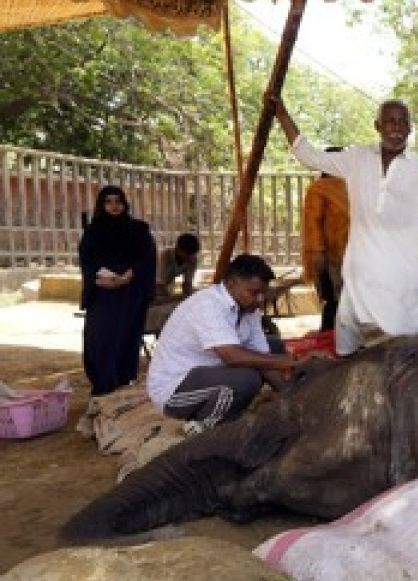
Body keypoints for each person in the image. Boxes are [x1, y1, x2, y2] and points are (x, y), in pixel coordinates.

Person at [269, 96, 418, 354]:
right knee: (350, 335)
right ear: (377, 126)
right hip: (361, 271)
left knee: (406, 343)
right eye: (390, 122)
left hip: (406, 274)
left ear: (409, 129)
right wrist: (282, 115)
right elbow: (309, 156)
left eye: (402, 122)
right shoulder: (357, 159)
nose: (396, 127)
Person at [147, 254, 300, 435]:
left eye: (263, 293)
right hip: (174, 390)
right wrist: (291, 362)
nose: (260, 299)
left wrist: (293, 395)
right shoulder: (208, 305)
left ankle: (224, 414)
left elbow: (263, 358)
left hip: (206, 376)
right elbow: (231, 356)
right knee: (247, 379)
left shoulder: (248, 309)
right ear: (232, 284)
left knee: (271, 348)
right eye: (254, 292)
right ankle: (203, 427)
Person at [78, 185, 156, 397]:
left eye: (118, 201)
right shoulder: (93, 232)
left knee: (125, 338)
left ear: (125, 204)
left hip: (129, 295)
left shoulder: (138, 230)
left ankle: (122, 383)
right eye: (108, 202)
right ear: (102, 205)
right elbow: (86, 261)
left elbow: (147, 258)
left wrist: (127, 277)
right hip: (103, 294)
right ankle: (103, 385)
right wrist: (100, 279)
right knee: (100, 340)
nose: (114, 206)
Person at [301, 172, 350, 332]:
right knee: (335, 301)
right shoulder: (319, 189)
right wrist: (317, 251)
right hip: (330, 255)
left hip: (350, 254)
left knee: (342, 301)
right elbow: (312, 223)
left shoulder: (351, 185)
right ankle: (331, 337)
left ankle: (340, 337)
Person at [155, 233, 200, 299]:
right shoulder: (165, 256)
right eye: (187, 254)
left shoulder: (192, 259)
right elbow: (159, 284)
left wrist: (190, 296)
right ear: (178, 249)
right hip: (152, 286)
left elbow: (187, 284)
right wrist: (170, 298)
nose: (190, 257)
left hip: (166, 287)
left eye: (192, 254)